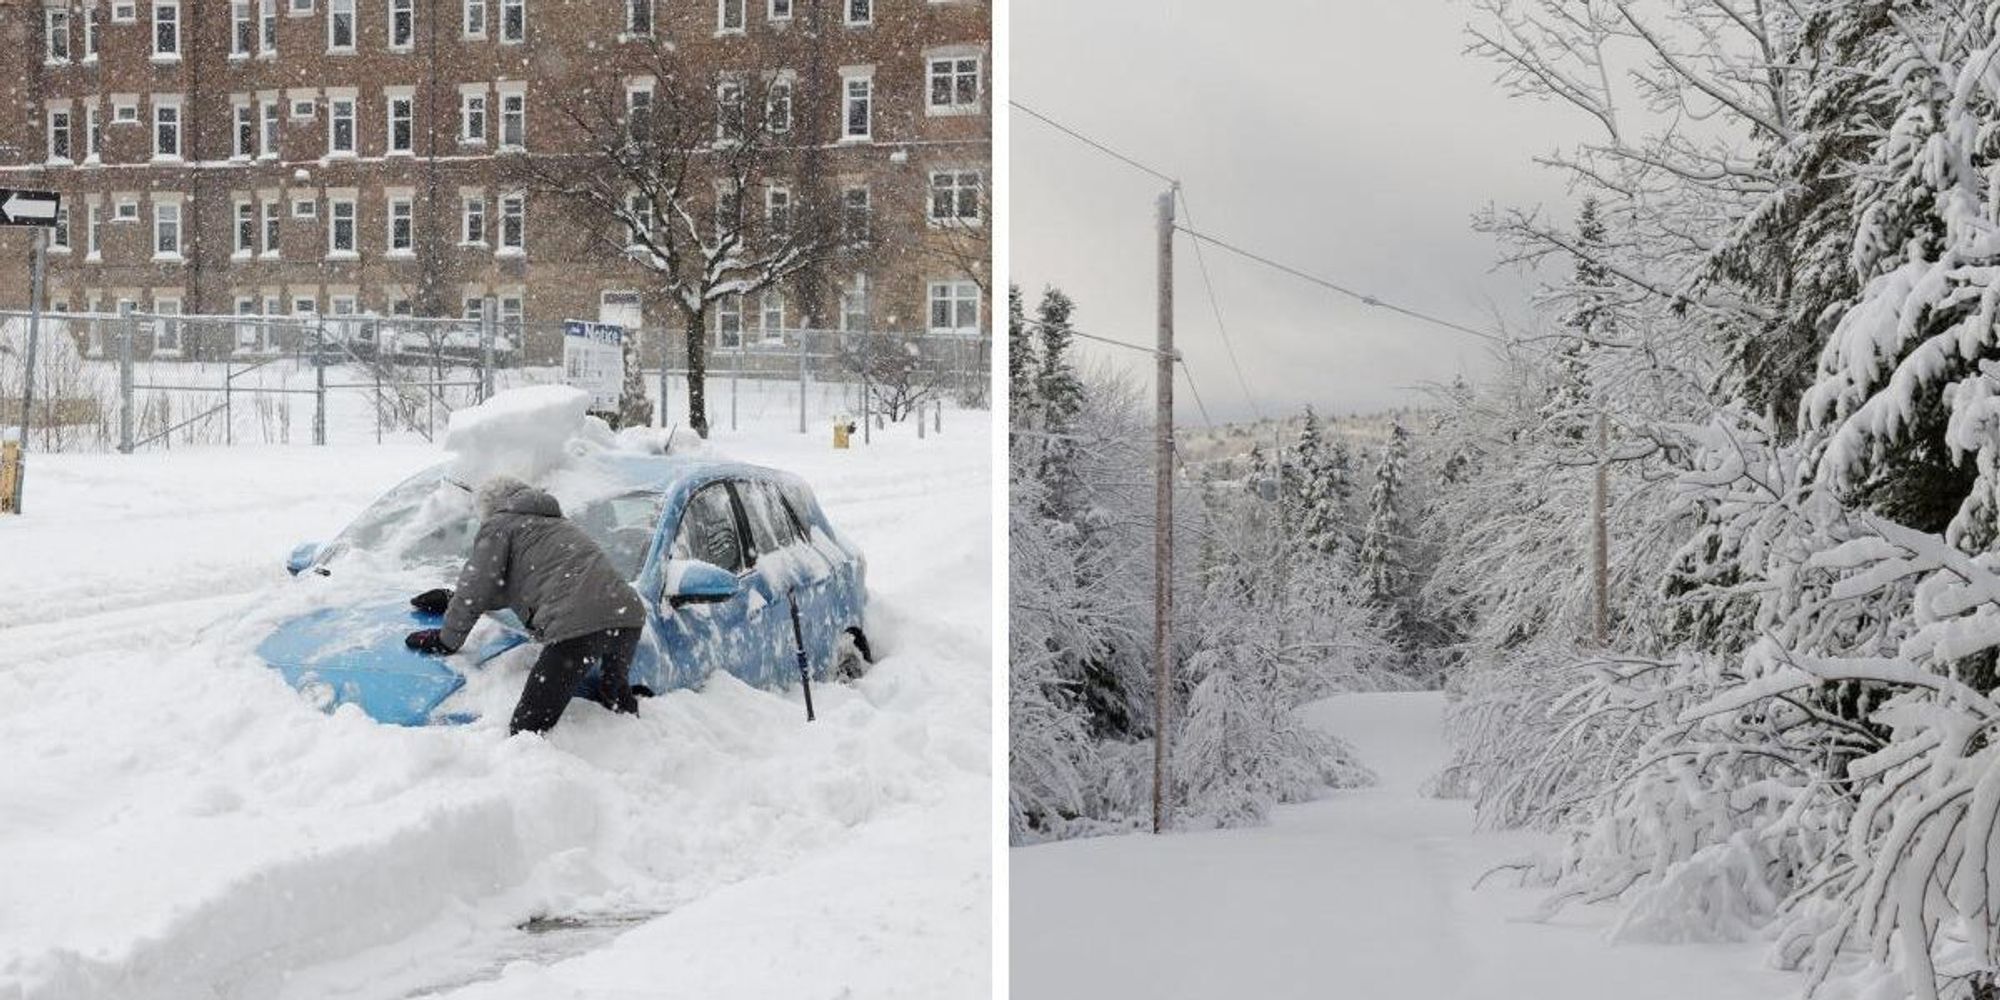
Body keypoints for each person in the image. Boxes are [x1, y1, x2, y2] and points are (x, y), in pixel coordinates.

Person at [405, 476, 646, 735]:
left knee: (528, 728)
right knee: (616, 703)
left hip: (576, 625)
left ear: (488, 508)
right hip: (627, 617)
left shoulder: (499, 524)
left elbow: (477, 586)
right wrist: (452, 599)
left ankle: (532, 759)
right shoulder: (558, 525)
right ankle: (639, 745)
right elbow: (521, 585)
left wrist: (446, 640)